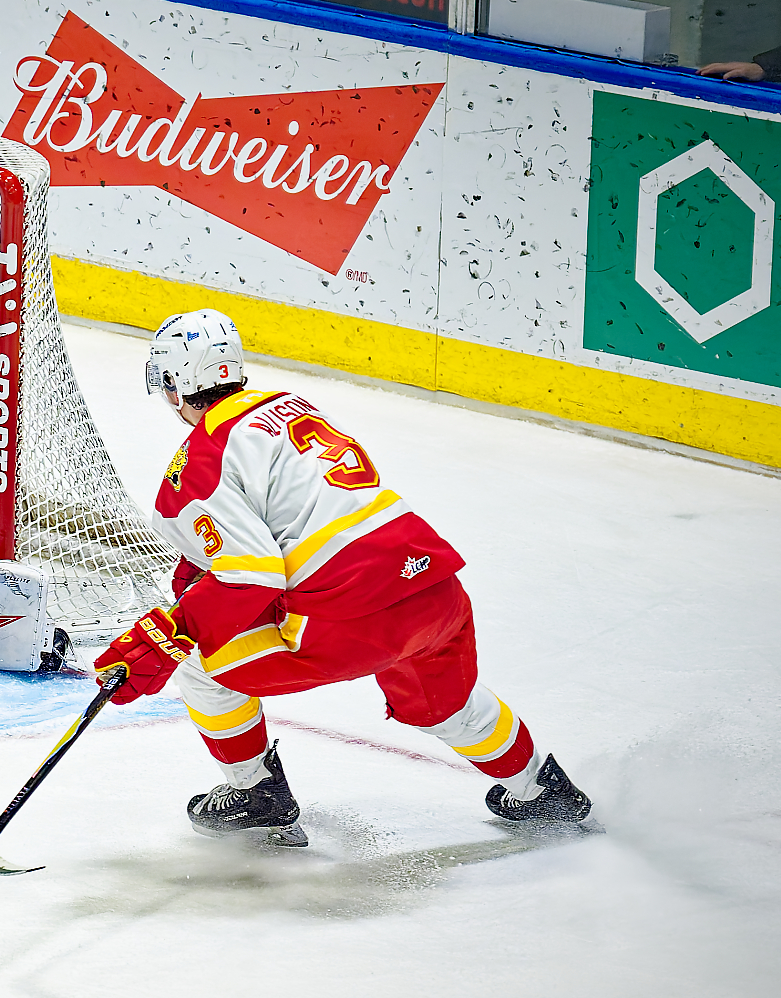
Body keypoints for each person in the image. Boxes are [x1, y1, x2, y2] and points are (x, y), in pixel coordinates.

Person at [91, 309, 592, 846]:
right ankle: (542, 791)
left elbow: (250, 577)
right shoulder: (292, 407)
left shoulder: (200, 459)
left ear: (174, 383)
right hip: (432, 589)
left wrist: (172, 632)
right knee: (445, 703)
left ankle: (256, 791)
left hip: (349, 617)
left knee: (198, 666)